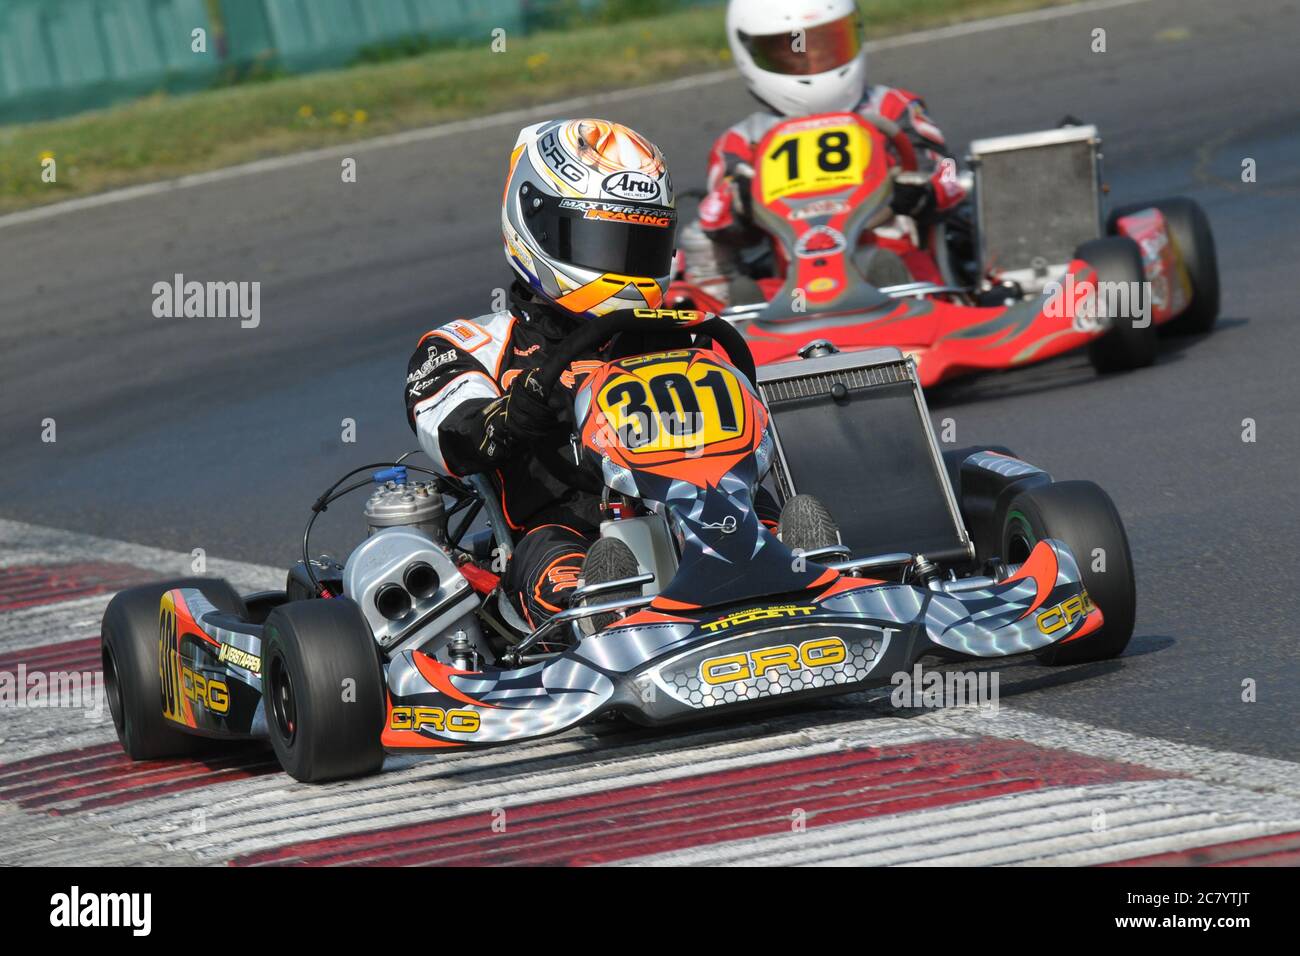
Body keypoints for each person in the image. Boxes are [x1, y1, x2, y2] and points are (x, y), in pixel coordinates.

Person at [404, 119, 678, 628]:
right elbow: (457, 439)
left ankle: (798, 573)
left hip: (696, 510)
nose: (625, 264)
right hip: (564, 529)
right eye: (605, 242)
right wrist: (520, 409)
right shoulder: (469, 345)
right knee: (561, 571)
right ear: (537, 223)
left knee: (772, 521)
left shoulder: (676, 334)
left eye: (639, 246)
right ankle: (607, 615)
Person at [680, 0, 968, 305]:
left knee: (893, 265)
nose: (812, 59)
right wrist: (738, 204)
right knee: (748, 291)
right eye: (792, 51)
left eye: (826, 44)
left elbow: (948, 174)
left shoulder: (894, 108)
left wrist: (922, 192)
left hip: (896, 258)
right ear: (751, 53)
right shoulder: (742, 142)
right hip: (797, 282)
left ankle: (911, 306)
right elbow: (716, 223)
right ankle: (745, 325)